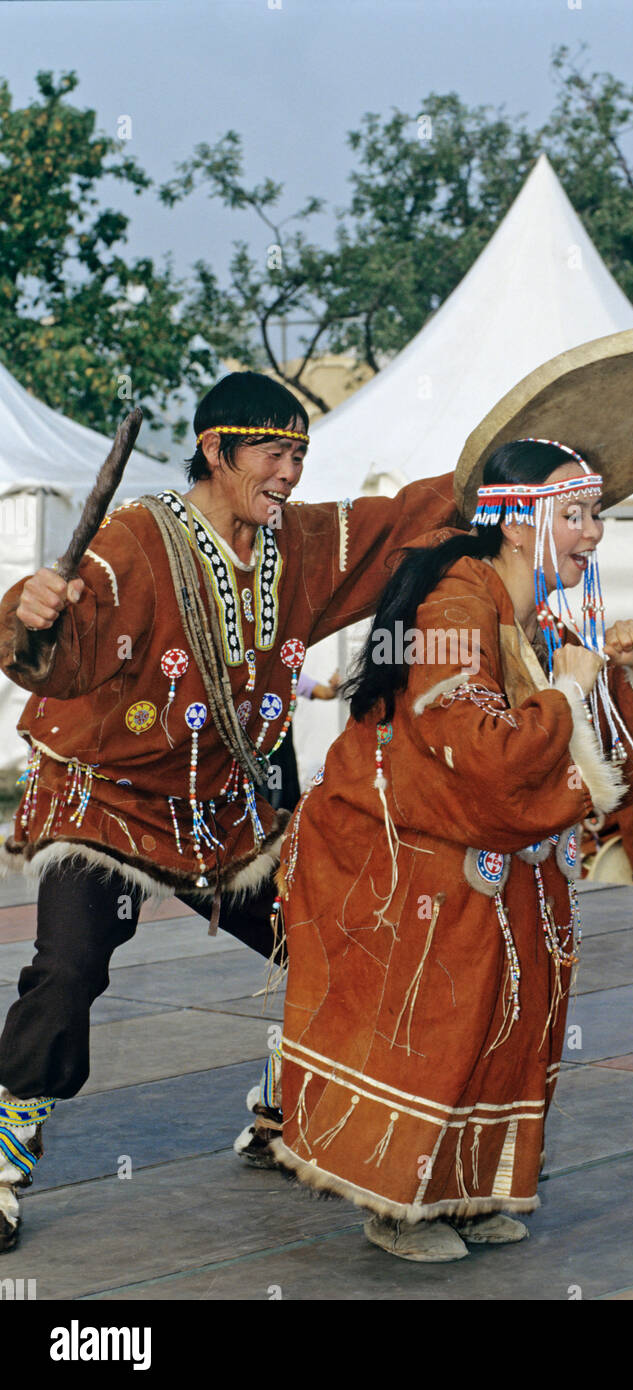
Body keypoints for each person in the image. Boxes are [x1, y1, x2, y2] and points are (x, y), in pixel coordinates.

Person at [0, 370, 457, 1251]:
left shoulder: (303, 545)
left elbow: (397, 521)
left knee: (336, 938)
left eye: (300, 455)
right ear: (216, 450)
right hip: (107, 804)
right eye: (274, 454)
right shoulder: (134, 541)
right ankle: (2, 1162)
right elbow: (62, 646)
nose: (290, 474)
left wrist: (502, 476)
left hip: (225, 815)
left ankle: (286, 1109)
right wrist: (30, 616)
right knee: (67, 974)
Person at [255, 434, 633, 1262]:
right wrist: (572, 688)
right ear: (515, 524)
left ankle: (467, 1195)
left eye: (595, 514)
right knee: (435, 1027)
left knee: (504, 1027)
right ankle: (397, 1207)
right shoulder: (454, 607)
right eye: (574, 515)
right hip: (420, 865)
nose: (593, 533)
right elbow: (479, 751)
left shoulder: (532, 612)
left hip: (500, 867)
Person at [266, 669, 341, 813]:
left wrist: (335, 685)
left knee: (281, 798)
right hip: (257, 751)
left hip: (282, 750)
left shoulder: (288, 674)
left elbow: (326, 693)